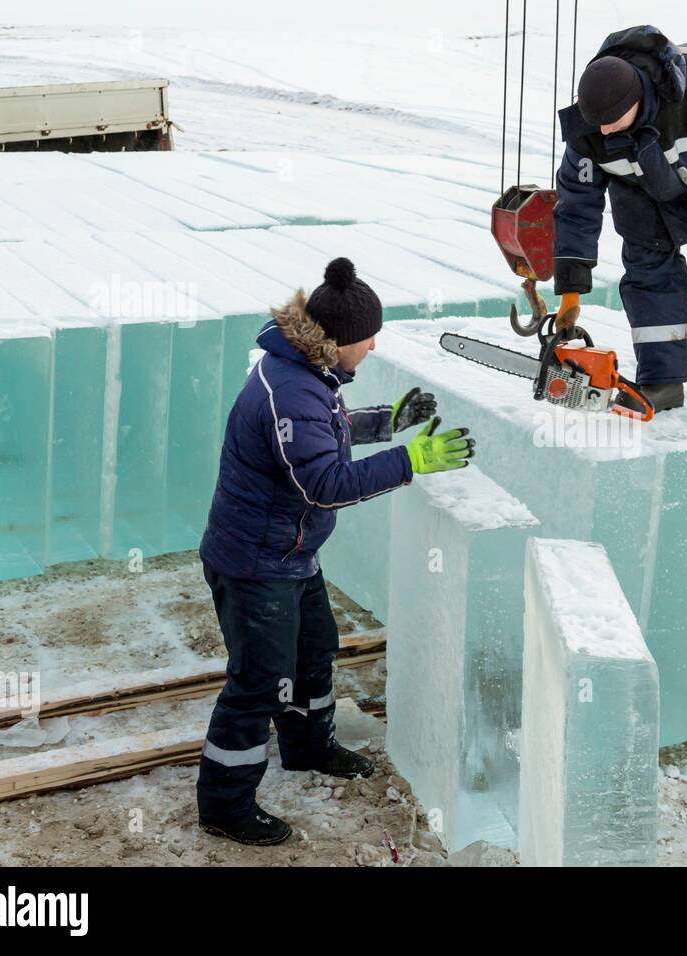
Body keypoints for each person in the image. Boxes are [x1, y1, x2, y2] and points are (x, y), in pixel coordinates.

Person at [196, 256, 475, 845]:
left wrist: (386, 422)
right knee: (257, 681)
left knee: (314, 650)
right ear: (340, 340)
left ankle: (307, 746)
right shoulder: (292, 389)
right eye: (367, 337)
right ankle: (225, 805)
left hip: (288, 553)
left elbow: (325, 429)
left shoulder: (303, 373)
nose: (373, 345)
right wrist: (411, 460)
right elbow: (322, 483)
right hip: (255, 563)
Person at [552, 25, 687, 414]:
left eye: (612, 120)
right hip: (643, 202)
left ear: (637, 98)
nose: (603, 130)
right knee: (649, 279)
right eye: (597, 123)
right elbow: (577, 205)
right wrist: (571, 287)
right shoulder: (587, 133)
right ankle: (662, 382)